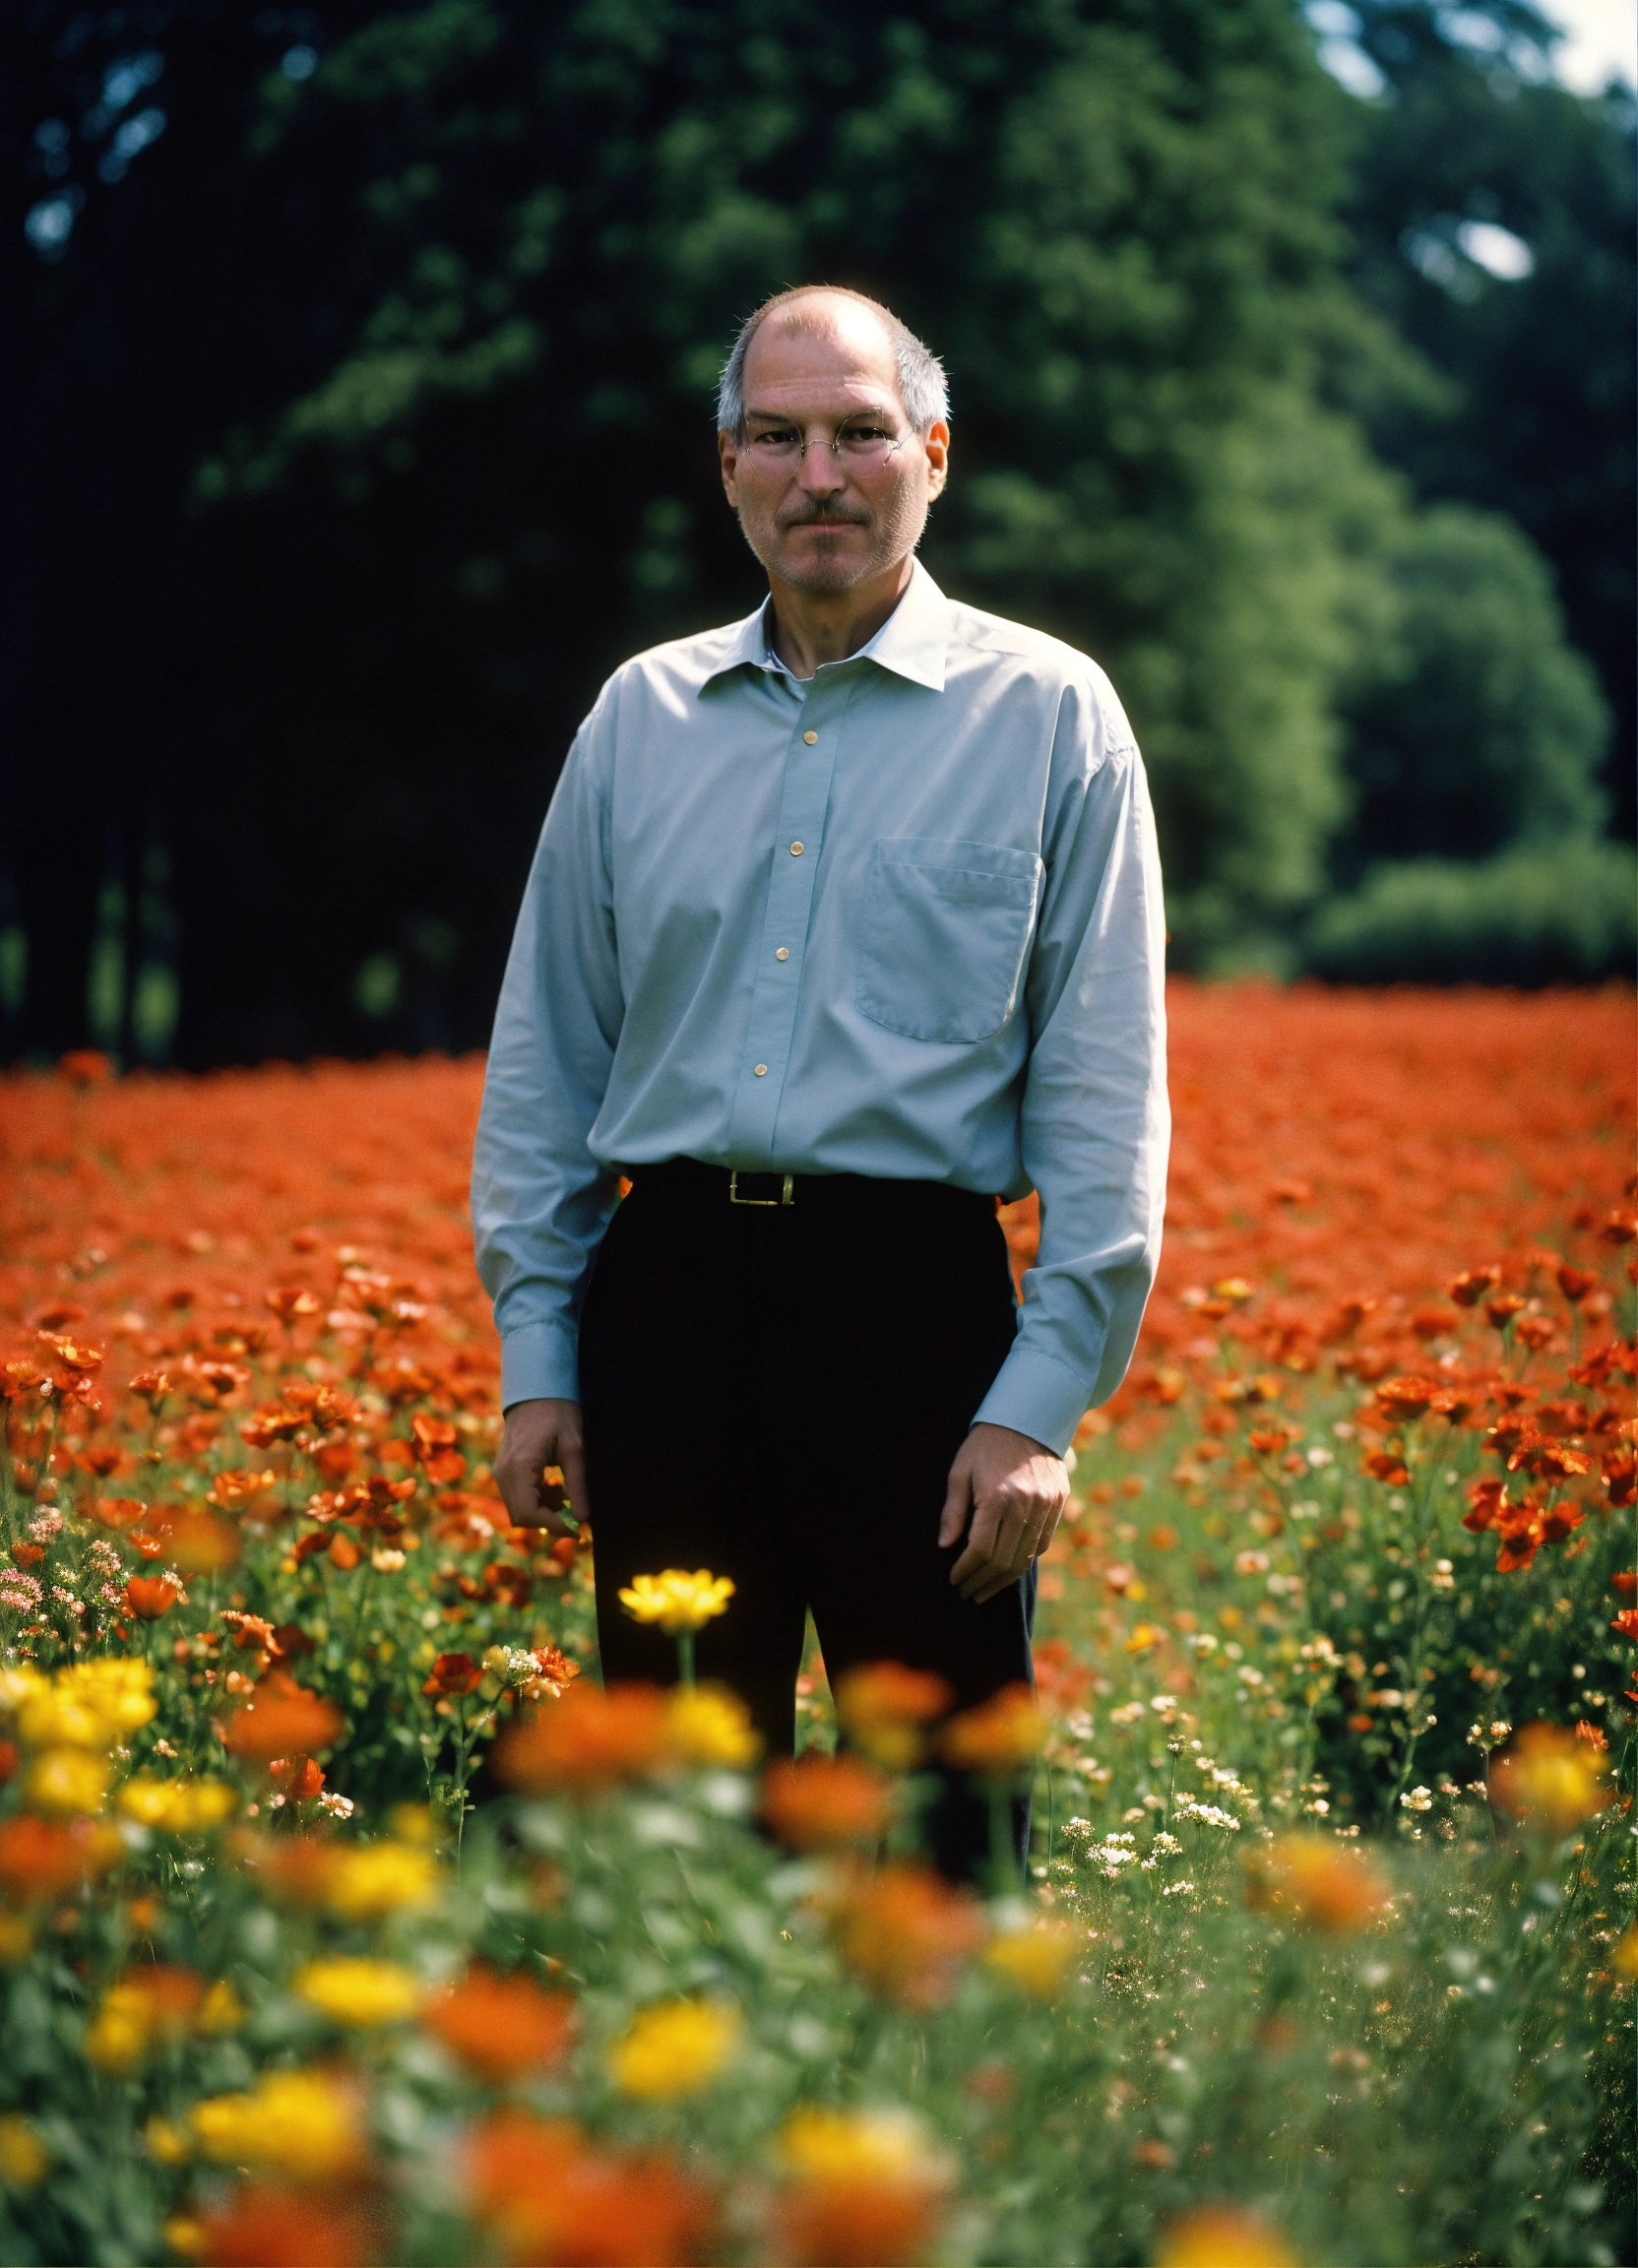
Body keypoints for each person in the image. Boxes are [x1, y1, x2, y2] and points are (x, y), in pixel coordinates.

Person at [472, 284, 1168, 1878]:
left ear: (935, 454)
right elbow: (547, 1060)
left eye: (861, 433)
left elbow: (1105, 1088)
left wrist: (1039, 1406)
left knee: (945, 1833)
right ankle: (685, 2125)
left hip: (915, 1310)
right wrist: (539, 1351)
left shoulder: (1052, 713)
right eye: (776, 437)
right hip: (671, 1297)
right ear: (725, 468)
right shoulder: (636, 718)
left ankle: (954, 2121)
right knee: (670, 1809)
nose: (821, 475)